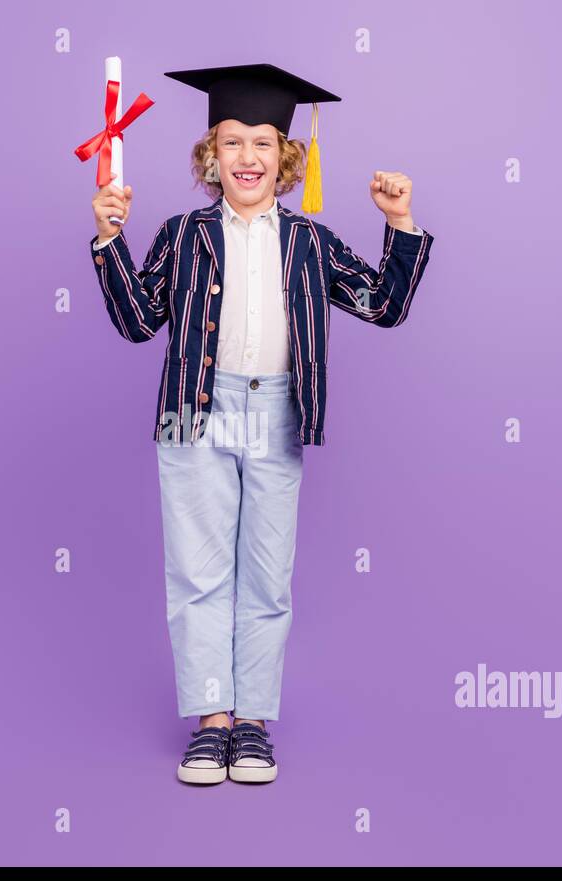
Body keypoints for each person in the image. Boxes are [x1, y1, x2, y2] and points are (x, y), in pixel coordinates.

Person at [88, 63, 434, 784]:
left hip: (277, 410)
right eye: (233, 141)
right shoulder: (182, 235)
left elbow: (383, 305)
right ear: (210, 155)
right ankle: (212, 721)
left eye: (264, 143)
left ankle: (253, 723)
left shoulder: (309, 240)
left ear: (286, 160)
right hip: (194, 408)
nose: (248, 156)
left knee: (267, 575)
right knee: (198, 570)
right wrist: (109, 241)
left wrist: (398, 225)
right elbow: (137, 321)